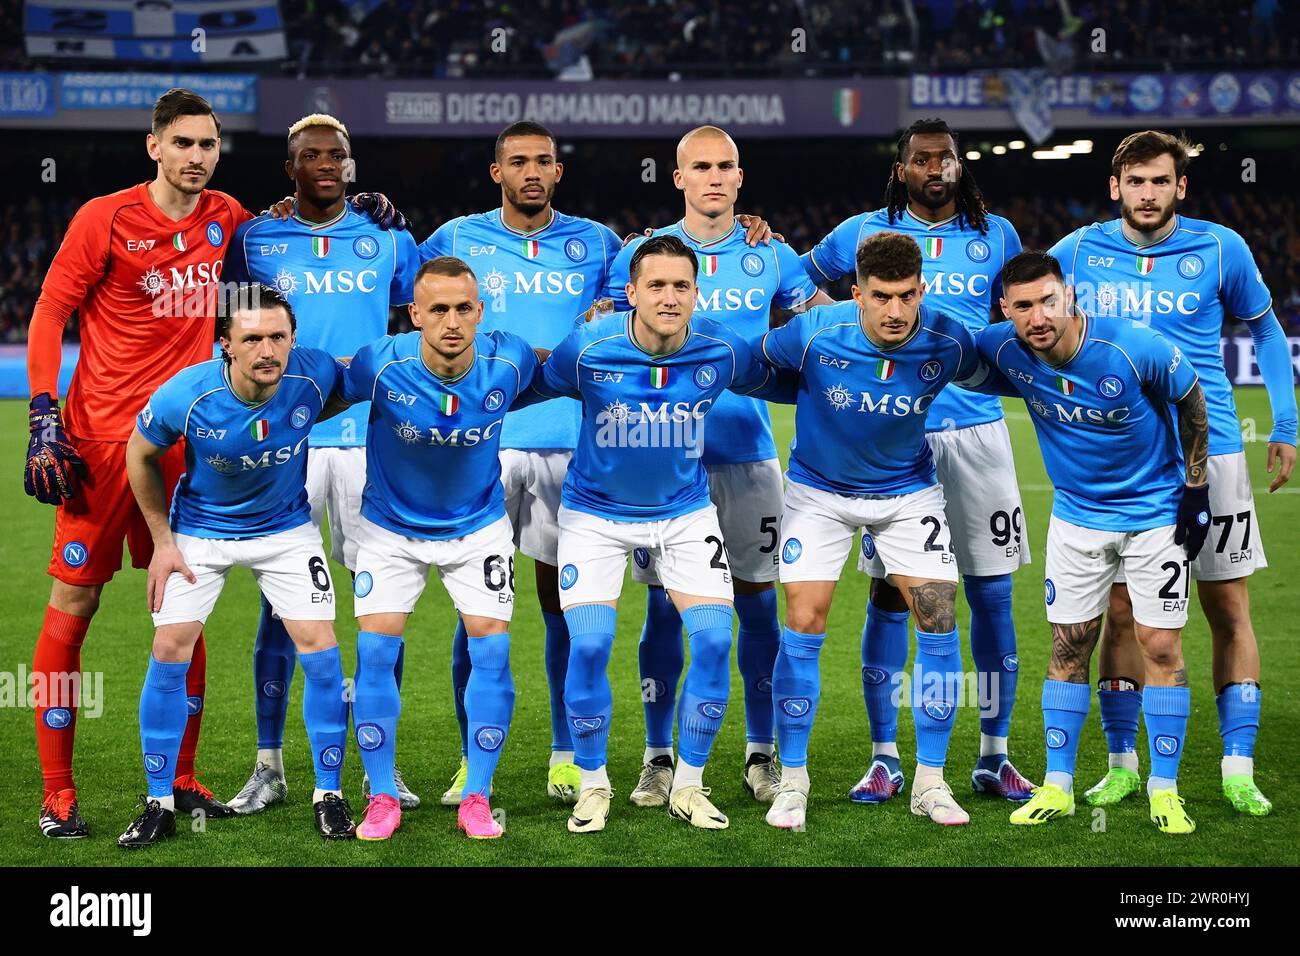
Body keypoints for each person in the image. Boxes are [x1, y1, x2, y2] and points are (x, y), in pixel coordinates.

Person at [1049, 131, 1296, 816]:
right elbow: (1025, 313)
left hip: (1210, 450)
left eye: (1161, 181)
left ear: (1180, 186)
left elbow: (1267, 332)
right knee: (1123, 613)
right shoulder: (1077, 252)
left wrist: (1286, 423)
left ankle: (1237, 766)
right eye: (1136, 181)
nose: (1148, 193)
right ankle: (1125, 764)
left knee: (1226, 605)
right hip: (1123, 455)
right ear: (1115, 186)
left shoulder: (1222, 248)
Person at [24, 88, 248, 837]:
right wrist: (42, 412)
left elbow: (288, 235)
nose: (195, 158)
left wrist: (355, 204)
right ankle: (58, 793)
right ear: (154, 146)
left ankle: (180, 778)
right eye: (182, 143)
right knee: (74, 605)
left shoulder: (227, 218)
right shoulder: (105, 217)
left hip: (184, 444)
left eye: (207, 145)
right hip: (99, 443)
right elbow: (51, 311)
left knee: (186, 602)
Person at [802, 117, 1033, 804]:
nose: (937, 168)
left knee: (991, 595)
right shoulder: (859, 232)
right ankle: (884, 756)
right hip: (892, 437)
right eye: (923, 159)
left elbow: (1012, 318)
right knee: (890, 597)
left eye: (948, 159)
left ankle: (995, 755)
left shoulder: (999, 235)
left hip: (980, 435)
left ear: (961, 167)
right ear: (900, 169)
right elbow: (799, 287)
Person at [530, 235, 792, 833]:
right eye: (657, 286)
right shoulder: (589, 347)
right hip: (595, 514)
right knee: (591, 645)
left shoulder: (721, 348)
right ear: (630, 293)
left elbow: (781, 378)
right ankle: (594, 784)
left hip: (684, 512)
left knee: (716, 641)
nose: (669, 297)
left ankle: (689, 784)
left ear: (696, 293)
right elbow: (534, 383)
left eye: (681, 286)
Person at [604, 126, 832, 808]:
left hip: (747, 459)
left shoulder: (773, 256)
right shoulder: (640, 257)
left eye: (725, 166)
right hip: (663, 462)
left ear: (740, 177)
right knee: (665, 612)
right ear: (677, 178)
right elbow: (615, 343)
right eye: (699, 166)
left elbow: (824, 332)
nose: (713, 177)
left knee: (759, 608)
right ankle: (658, 756)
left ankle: (760, 753)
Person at [964, 251, 1209, 835]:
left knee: (1161, 647)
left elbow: (1191, 401)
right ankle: (1058, 786)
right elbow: (940, 350)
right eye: (1023, 306)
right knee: (1068, 647)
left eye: (1048, 300)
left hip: (1154, 516)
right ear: (1006, 310)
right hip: (1076, 520)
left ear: (1069, 296)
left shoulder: (1133, 347)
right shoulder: (1003, 349)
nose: (1038, 316)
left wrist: (1196, 489)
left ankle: (1165, 789)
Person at [221, 112, 422, 813]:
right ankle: (270, 764)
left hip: (372, 443)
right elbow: (229, 333)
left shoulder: (388, 236)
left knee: (382, 606)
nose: (327, 164)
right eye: (312, 155)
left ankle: (380, 767)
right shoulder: (255, 239)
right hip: (287, 446)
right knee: (281, 608)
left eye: (337, 154)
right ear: (291, 169)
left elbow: (424, 316)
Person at [416, 121, 621, 805]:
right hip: (486, 443)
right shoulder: (454, 238)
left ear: (558, 171)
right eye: (517, 162)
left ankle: (565, 754)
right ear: (495, 172)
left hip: (572, 442)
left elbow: (652, 285)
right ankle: (468, 763)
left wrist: (746, 223)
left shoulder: (598, 243)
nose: (531, 172)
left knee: (562, 604)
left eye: (543, 161)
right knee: (475, 606)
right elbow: (403, 298)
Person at [758, 231, 981, 830]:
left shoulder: (948, 337)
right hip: (817, 494)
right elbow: (759, 367)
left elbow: (1005, 370)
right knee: (803, 623)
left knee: (938, 623)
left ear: (922, 290)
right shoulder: (814, 332)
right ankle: (794, 781)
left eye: (907, 296)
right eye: (881, 297)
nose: (895, 311)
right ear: (856, 294)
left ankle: (931, 782)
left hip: (908, 495)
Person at [117, 285, 354, 847]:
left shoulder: (314, 375)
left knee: (321, 652)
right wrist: (162, 541)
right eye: (252, 339)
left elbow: (368, 377)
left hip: (287, 531)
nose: (268, 350)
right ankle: (158, 801)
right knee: (170, 649)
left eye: (278, 337)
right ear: (226, 344)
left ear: (293, 339)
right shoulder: (188, 395)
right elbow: (139, 454)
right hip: (201, 533)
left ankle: (329, 794)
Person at [335, 256, 543, 840]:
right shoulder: (381, 364)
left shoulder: (511, 358)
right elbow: (322, 390)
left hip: (477, 527)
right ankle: (380, 796)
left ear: (481, 311)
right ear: (415, 314)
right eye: (439, 310)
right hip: (388, 529)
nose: (452, 321)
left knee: (493, 655)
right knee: (375, 656)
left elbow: (563, 369)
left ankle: (477, 794)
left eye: (463, 309)